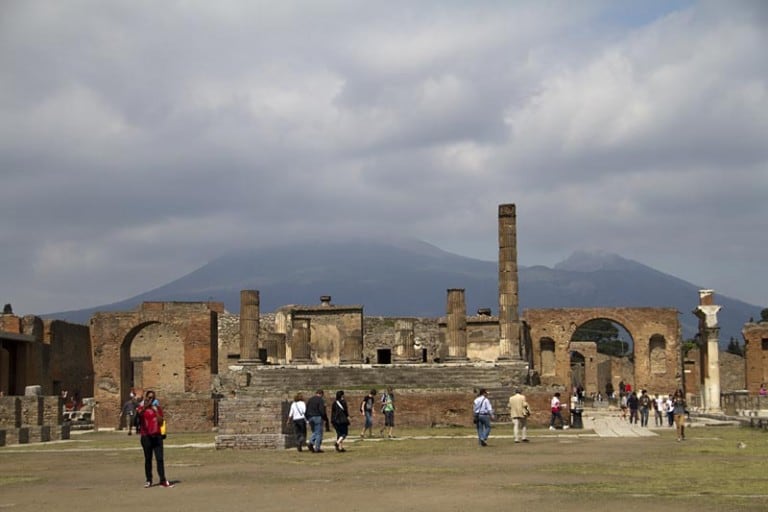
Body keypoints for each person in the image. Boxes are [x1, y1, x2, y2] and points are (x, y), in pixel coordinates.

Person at [136, 390, 173, 488]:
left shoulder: (157, 408)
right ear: (146, 398)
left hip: (157, 436)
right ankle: (149, 480)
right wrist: (144, 407)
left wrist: (155, 410)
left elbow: (161, 421)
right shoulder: (141, 408)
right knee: (148, 459)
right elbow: (138, 416)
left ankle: (162, 479)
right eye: (149, 397)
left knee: (160, 459)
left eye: (152, 397)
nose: (150, 399)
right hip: (146, 436)